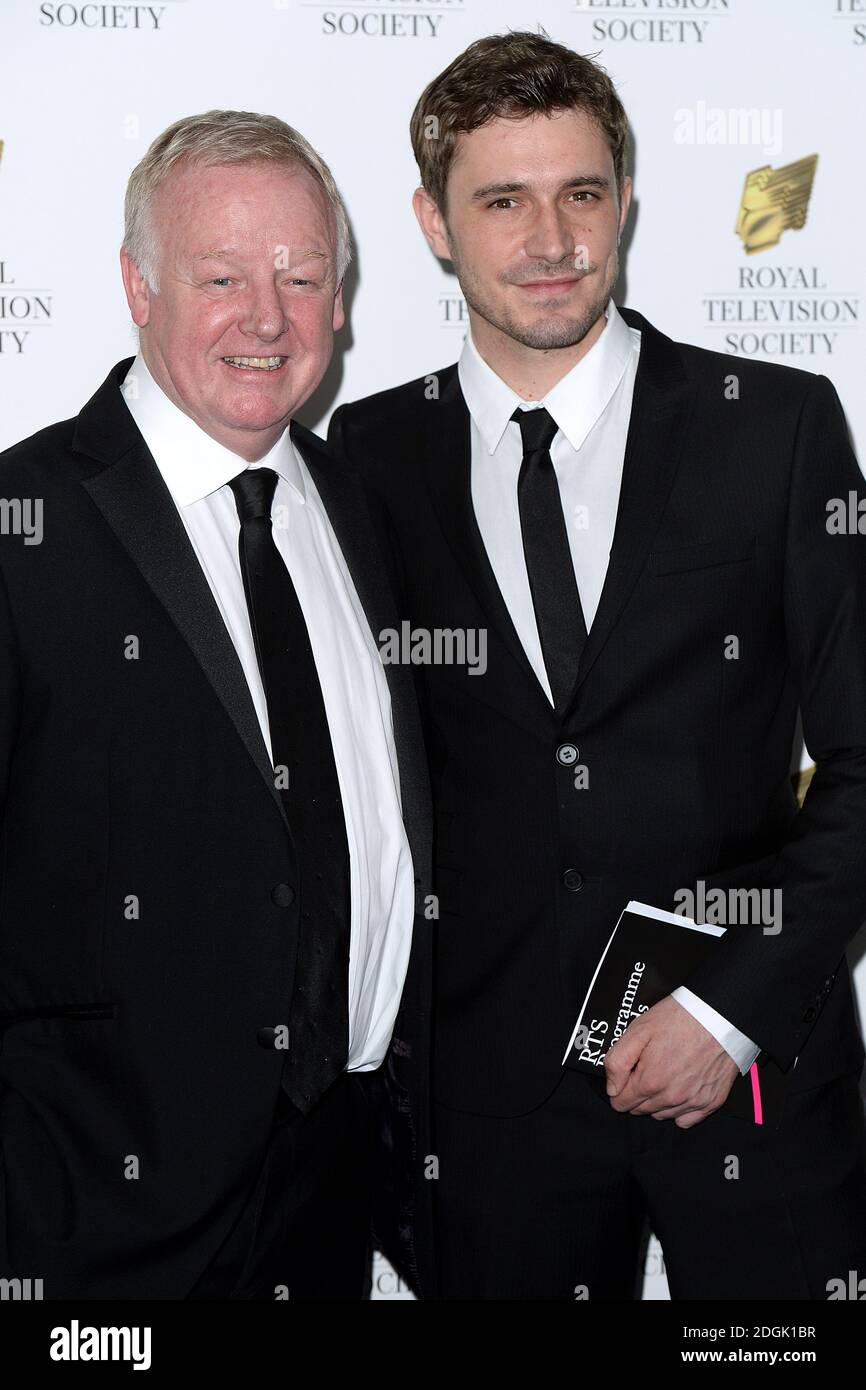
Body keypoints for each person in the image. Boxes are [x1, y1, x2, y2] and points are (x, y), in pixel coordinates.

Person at [329, 32, 866, 1299]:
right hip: (491, 1108)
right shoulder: (366, 455)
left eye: (580, 193)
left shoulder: (774, 429)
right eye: (500, 200)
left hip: (749, 1078)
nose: (549, 238)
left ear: (625, 198)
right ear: (432, 222)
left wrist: (724, 1007)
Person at [0, 109, 430, 1300]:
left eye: (302, 276)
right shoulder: (22, 524)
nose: (267, 317)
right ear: (137, 286)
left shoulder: (362, 509)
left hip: (330, 1194)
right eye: (221, 276)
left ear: (341, 299)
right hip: (87, 1218)